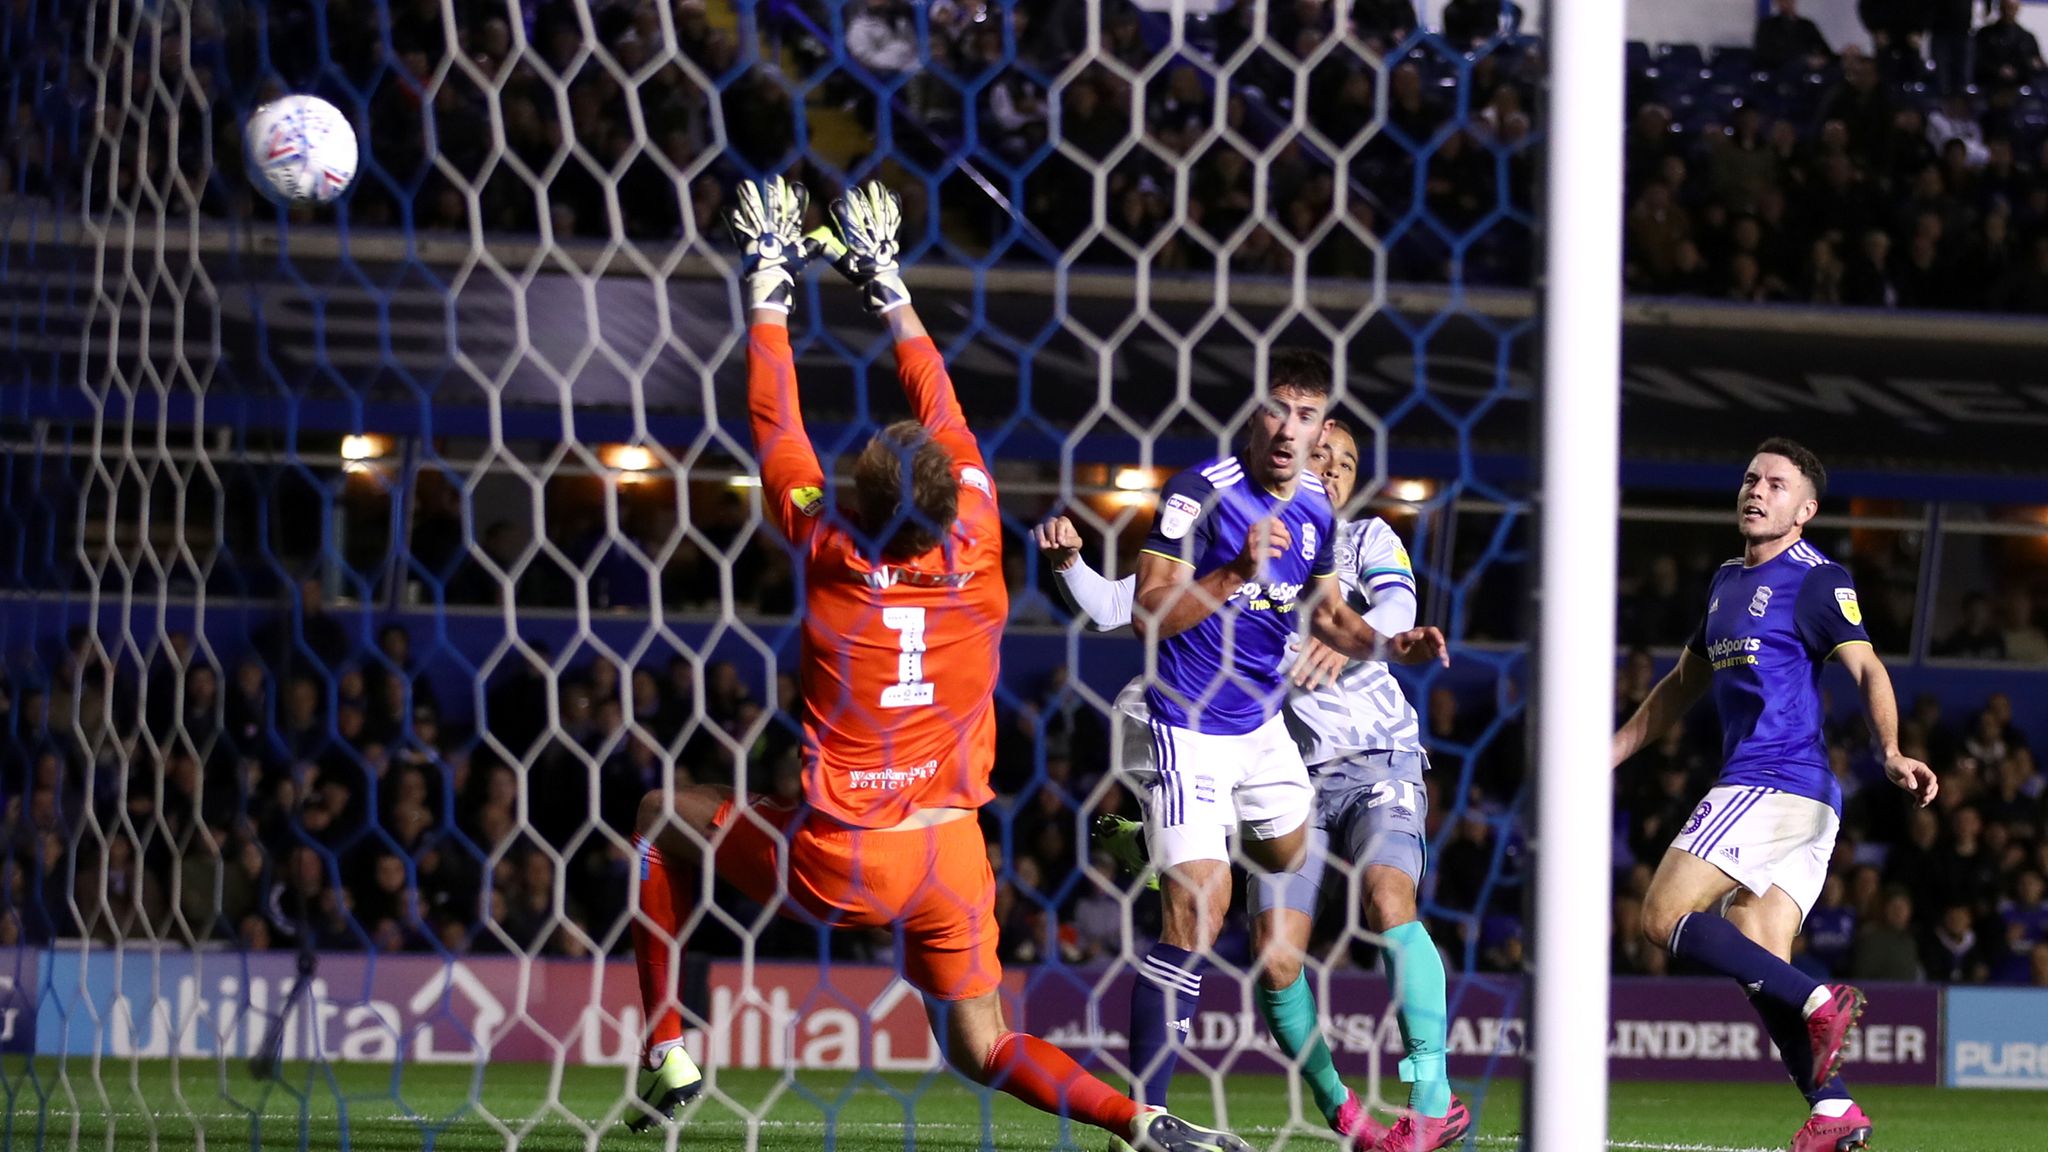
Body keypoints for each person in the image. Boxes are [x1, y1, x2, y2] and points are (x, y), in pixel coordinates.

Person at [624, 177, 1250, 1152]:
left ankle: (666, 1044)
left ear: (863, 504)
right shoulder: (979, 538)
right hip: (951, 851)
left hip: (850, 856)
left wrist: (768, 288)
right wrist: (888, 286)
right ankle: (1143, 1121)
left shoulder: (830, 550)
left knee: (663, 815)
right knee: (981, 1043)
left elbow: (775, 429)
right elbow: (939, 400)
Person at [1036, 420, 1465, 1151]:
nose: (1327, 468)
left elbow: (1397, 607)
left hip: (1376, 755)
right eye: (1317, 454)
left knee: (1388, 894)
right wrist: (1070, 564)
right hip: (1288, 766)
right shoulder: (1240, 538)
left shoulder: (1360, 540)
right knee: (1274, 956)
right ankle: (1346, 1116)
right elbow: (1122, 608)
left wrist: (1346, 630)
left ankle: (1432, 1096)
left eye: (1344, 462)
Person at [1612, 438, 1938, 1152]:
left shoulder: (1817, 578)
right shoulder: (1727, 580)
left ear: (1806, 510)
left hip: (1774, 779)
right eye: (1751, 478)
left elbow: (1868, 669)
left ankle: (1825, 999)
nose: (1756, 490)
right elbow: (1682, 686)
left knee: (1663, 914)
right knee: (1763, 961)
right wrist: (1608, 753)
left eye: (1777, 484)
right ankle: (1833, 1110)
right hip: (1801, 802)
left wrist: (1888, 750)